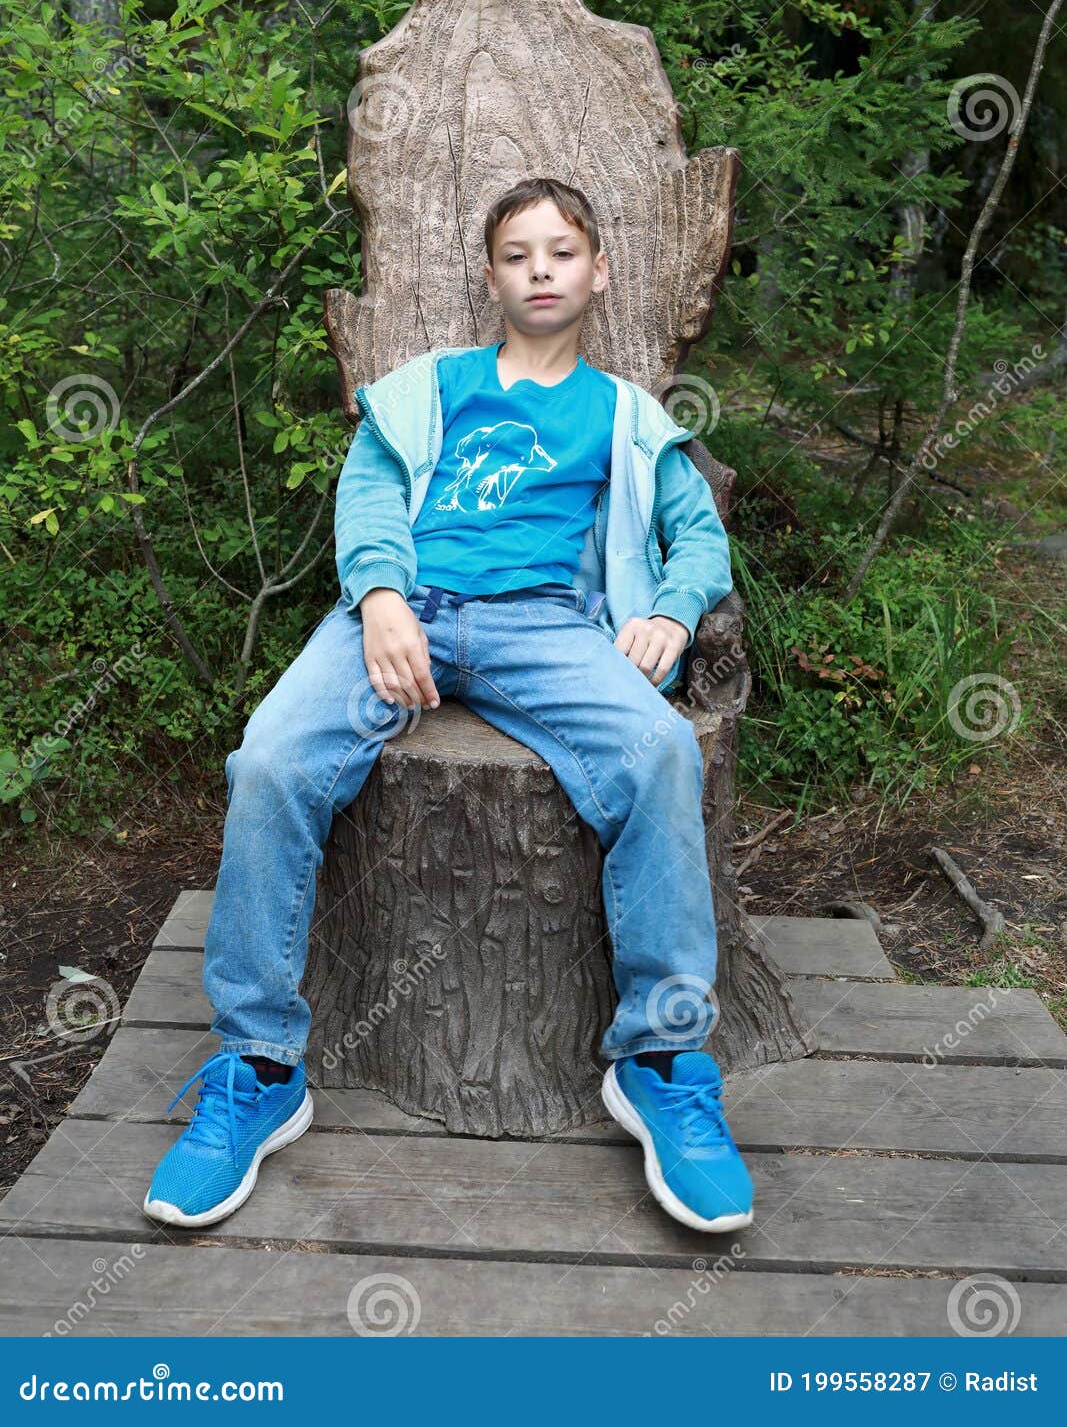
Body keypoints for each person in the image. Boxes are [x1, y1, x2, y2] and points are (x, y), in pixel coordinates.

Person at [143, 177, 754, 1235]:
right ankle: (257, 1065)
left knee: (658, 750)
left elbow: (695, 533)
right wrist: (379, 597)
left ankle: (660, 1059)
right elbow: (369, 490)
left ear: (598, 271)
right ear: (490, 276)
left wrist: (672, 606)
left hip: (543, 627)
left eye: (561, 252)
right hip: (401, 614)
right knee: (270, 763)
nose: (540, 271)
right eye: (517, 254)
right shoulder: (431, 385)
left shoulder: (623, 413)